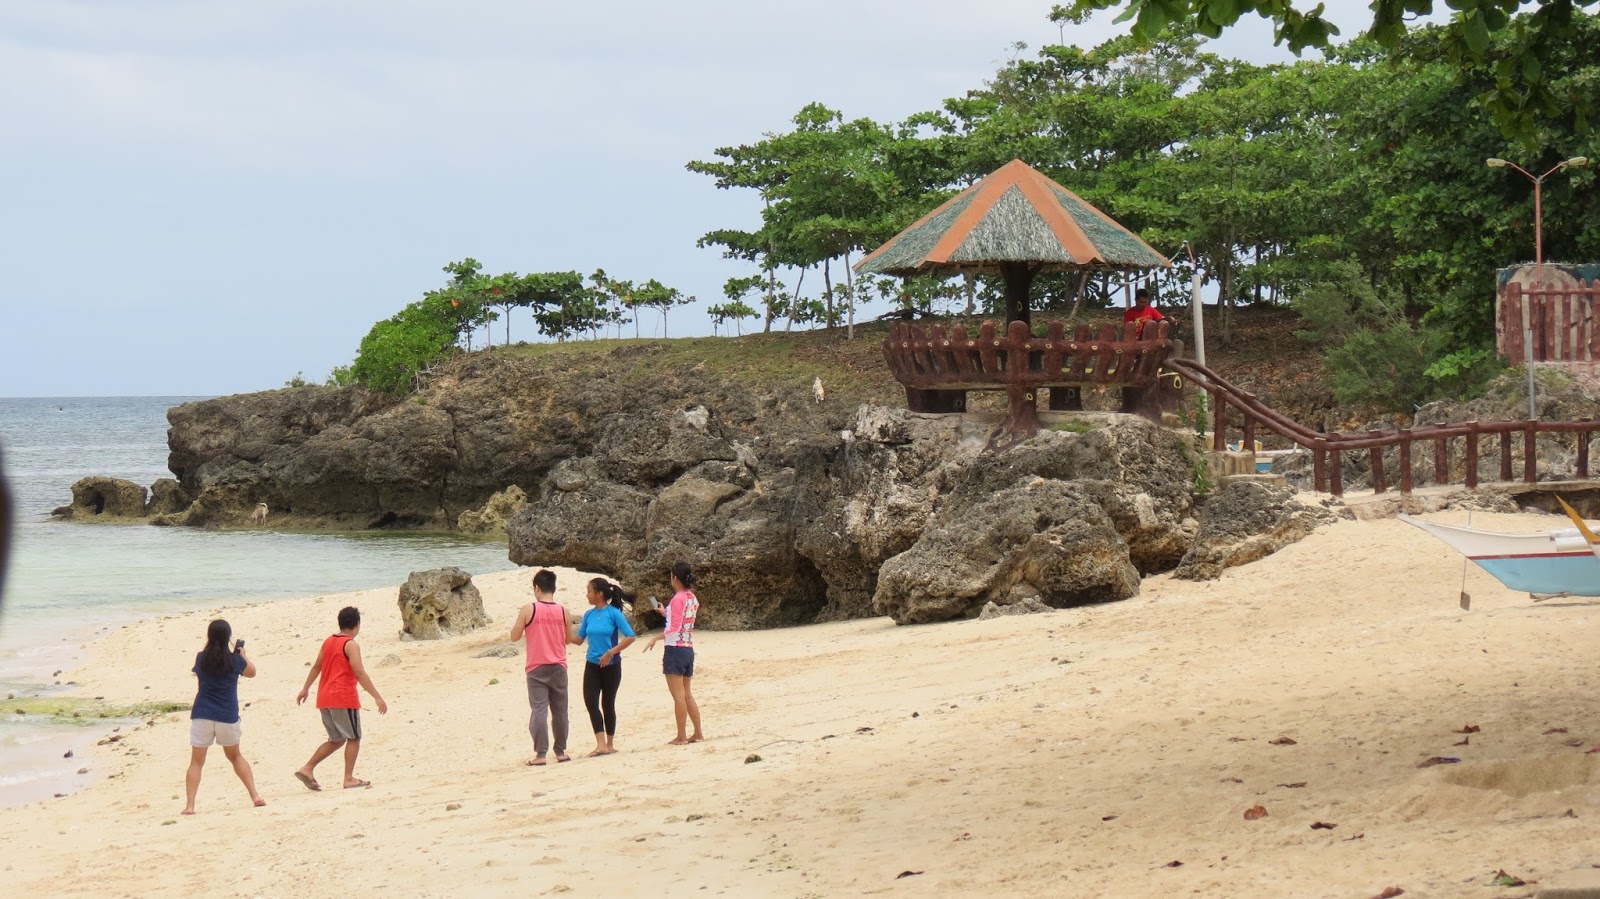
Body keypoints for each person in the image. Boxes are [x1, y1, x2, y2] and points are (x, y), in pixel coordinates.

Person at [294, 606, 387, 790]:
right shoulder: (350, 644)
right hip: (343, 697)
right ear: (357, 625)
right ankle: (349, 778)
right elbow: (359, 672)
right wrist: (377, 697)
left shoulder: (329, 641)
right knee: (354, 737)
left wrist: (305, 689)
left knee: (336, 739)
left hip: (324, 698)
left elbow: (316, 667)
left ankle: (307, 768)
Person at [182, 619, 263, 814]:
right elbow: (252, 673)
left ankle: (190, 805)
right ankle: (255, 796)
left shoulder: (201, 658)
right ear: (228, 637)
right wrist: (243, 655)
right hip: (227, 714)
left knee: (196, 761)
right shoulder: (235, 660)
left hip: (202, 713)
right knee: (235, 756)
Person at [509, 569, 581, 766]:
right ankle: (560, 752)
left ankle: (541, 754)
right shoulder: (563, 611)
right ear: (554, 588)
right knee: (560, 711)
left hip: (536, 667)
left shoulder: (528, 609)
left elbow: (514, 636)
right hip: (559, 665)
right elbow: (567, 639)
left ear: (537, 588)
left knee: (539, 710)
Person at [643, 561, 703, 745]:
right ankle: (698, 733)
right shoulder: (692, 597)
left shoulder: (678, 598)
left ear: (675, 578)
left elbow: (674, 627)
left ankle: (681, 736)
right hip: (687, 648)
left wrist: (656, 637)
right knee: (687, 694)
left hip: (675, 649)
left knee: (678, 696)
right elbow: (681, 620)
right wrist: (665, 612)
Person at [577, 578, 637, 757]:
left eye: (589, 591)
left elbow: (630, 636)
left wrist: (611, 652)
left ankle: (609, 744)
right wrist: (563, 630)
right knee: (590, 702)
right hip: (592, 665)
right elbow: (579, 640)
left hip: (611, 666)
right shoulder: (588, 614)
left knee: (607, 703)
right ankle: (601, 744)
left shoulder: (614, 613)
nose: (587, 595)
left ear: (599, 594)